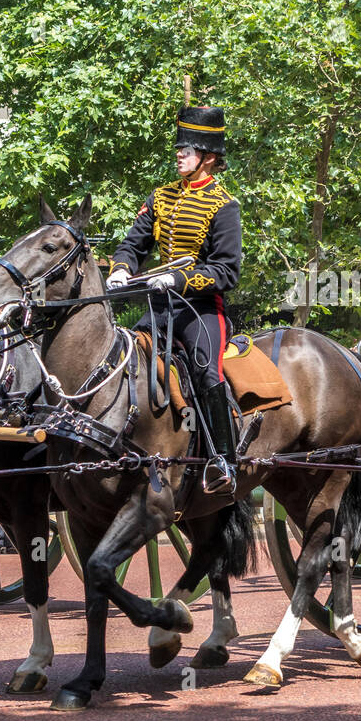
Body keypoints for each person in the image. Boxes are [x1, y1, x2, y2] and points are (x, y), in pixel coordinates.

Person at [107, 106, 242, 495]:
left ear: (209, 157)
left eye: (188, 148)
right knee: (123, 360)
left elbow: (226, 271)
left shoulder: (224, 205)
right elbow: (135, 243)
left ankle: (223, 460)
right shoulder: (161, 197)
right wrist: (121, 268)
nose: (179, 153)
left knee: (206, 371)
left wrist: (179, 278)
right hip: (158, 307)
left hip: (200, 311)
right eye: (179, 147)